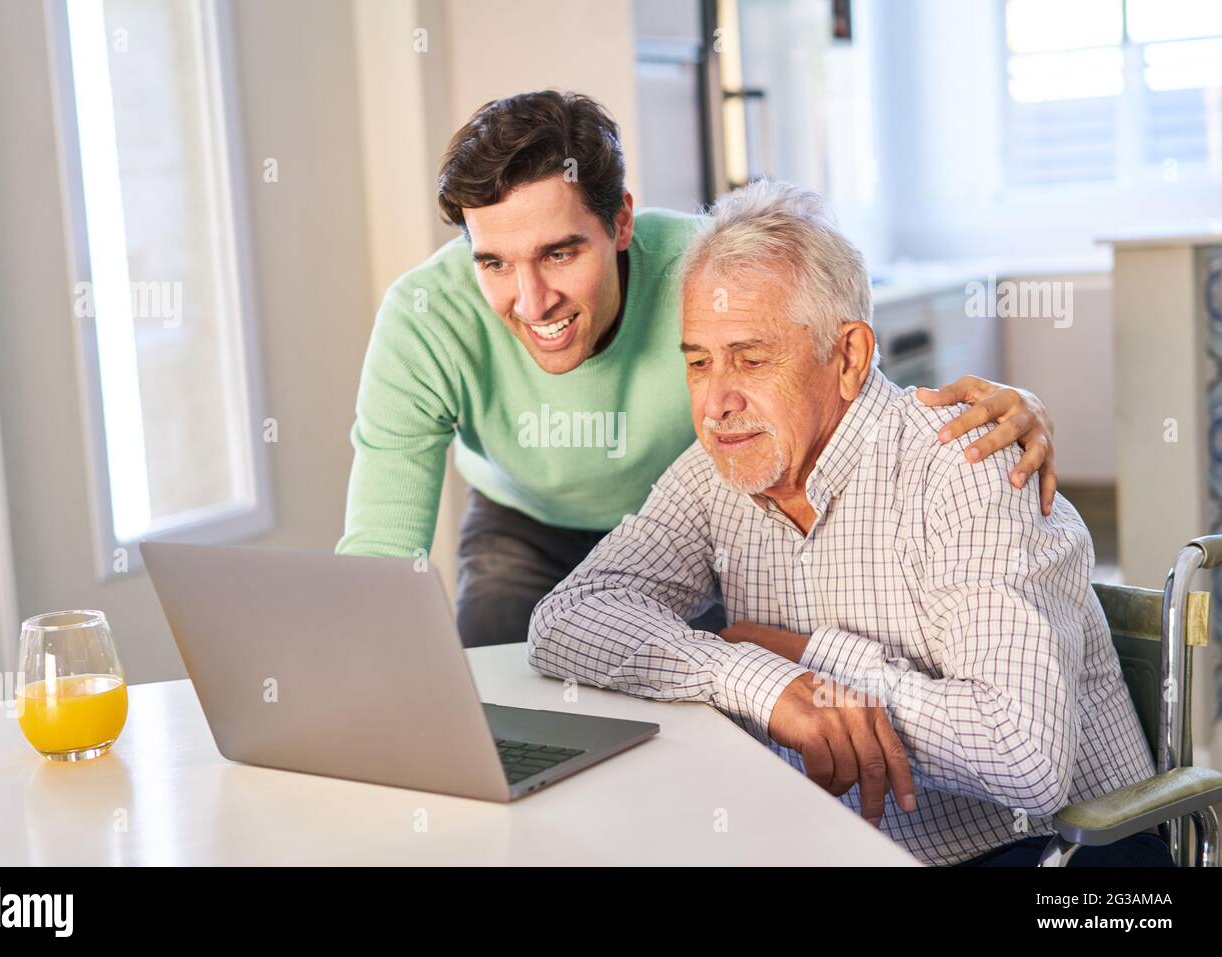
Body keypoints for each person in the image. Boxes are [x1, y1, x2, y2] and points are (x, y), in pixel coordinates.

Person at [528, 180, 1168, 867]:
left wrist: (809, 658)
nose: (716, 403)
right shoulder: (720, 469)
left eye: (750, 358)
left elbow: (1022, 752)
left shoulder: (967, 465)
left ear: (851, 356)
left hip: (1054, 855)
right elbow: (566, 619)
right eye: (698, 362)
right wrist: (760, 677)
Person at [338, 90, 1060, 649]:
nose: (531, 302)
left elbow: (830, 368)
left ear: (620, 223)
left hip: (691, 525)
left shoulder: (701, 269)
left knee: (723, 713)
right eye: (493, 261)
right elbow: (377, 555)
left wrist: (1003, 404)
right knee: (495, 699)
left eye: (560, 253)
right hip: (525, 526)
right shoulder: (424, 318)